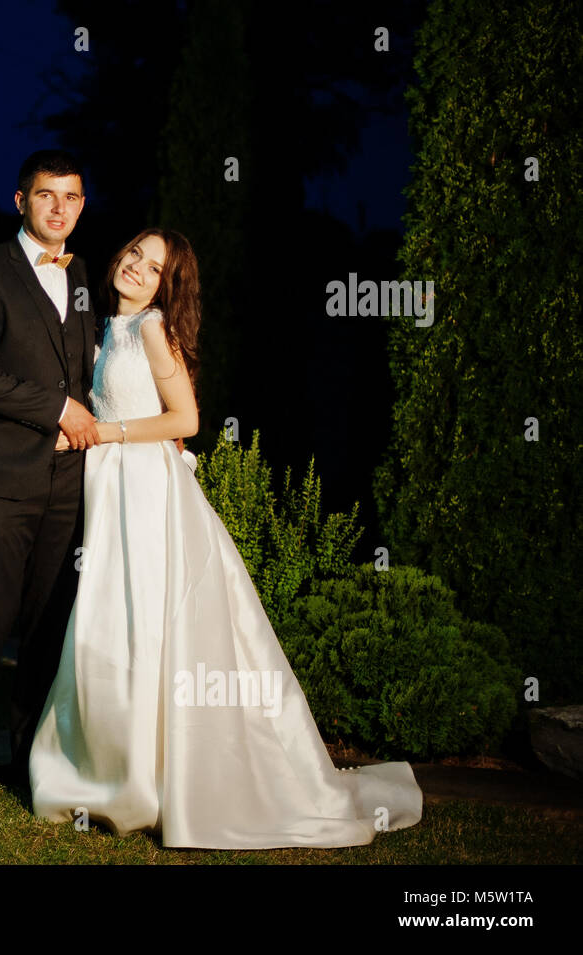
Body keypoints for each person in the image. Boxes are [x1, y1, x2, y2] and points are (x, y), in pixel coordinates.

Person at [29, 227, 424, 848]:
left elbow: (185, 419)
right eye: (134, 253)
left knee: (149, 628)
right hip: (111, 489)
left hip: (147, 496)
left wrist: (102, 435)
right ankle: (118, 774)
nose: (136, 267)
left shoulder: (152, 329)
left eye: (153, 267)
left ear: (166, 285)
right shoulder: (106, 326)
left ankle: (161, 782)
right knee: (110, 626)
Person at [0, 150, 99, 811]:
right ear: (19, 200)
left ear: (82, 205)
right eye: (45, 196)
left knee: (46, 627)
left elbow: (86, 370)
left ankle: (28, 759)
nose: (59, 208)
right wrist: (57, 409)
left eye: (70, 197)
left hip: (66, 482)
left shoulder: (84, 273)